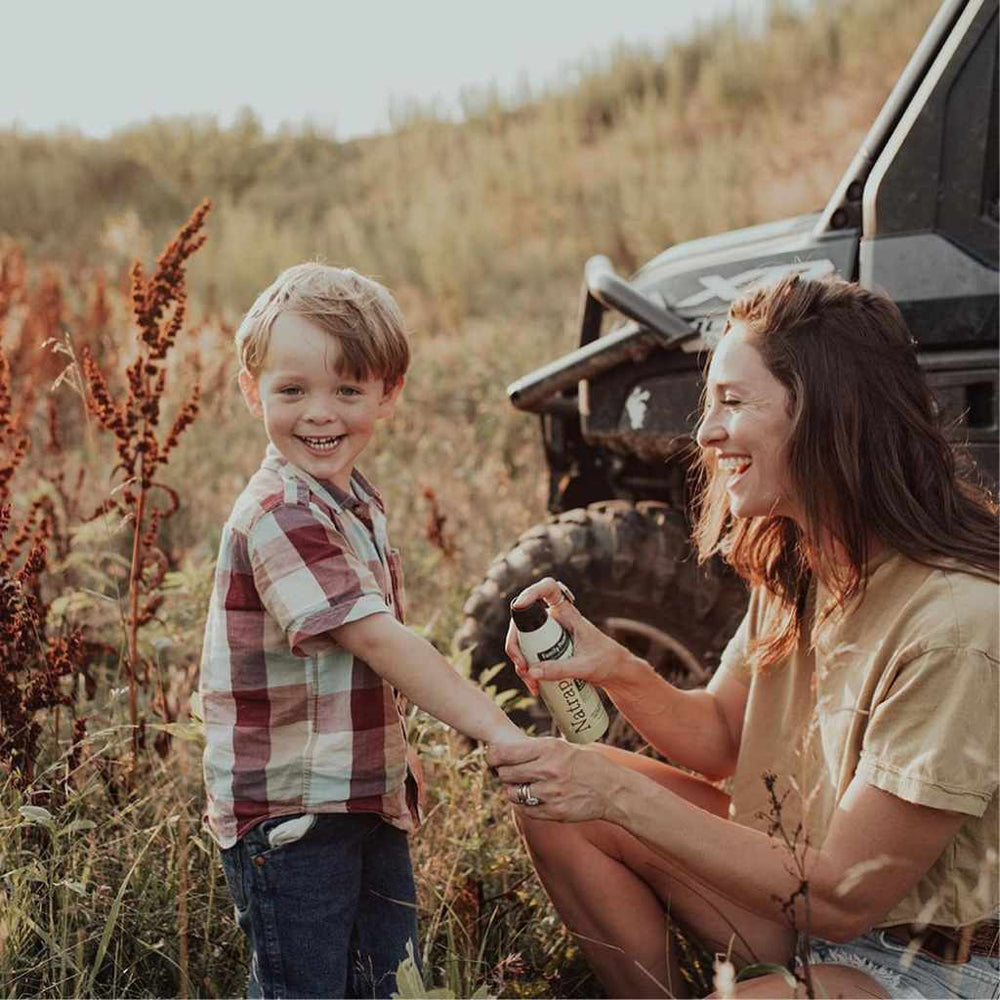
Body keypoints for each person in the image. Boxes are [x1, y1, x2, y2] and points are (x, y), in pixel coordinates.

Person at [487, 276, 999, 999]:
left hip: (937, 959)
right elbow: (723, 734)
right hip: (802, 899)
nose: (704, 432)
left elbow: (851, 894)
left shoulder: (955, 625)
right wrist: (615, 667)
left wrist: (618, 794)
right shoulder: (804, 556)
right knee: (555, 797)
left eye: (733, 401)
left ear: (827, 413)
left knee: (603, 792)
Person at [199, 263, 523, 999]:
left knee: (390, 979)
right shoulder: (281, 511)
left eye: (347, 390)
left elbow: (358, 678)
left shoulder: (350, 500)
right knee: (305, 988)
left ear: (388, 392)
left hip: (355, 794)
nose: (321, 414)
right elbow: (377, 641)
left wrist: (393, 757)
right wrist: (497, 728)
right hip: (291, 814)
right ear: (252, 392)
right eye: (292, 391)